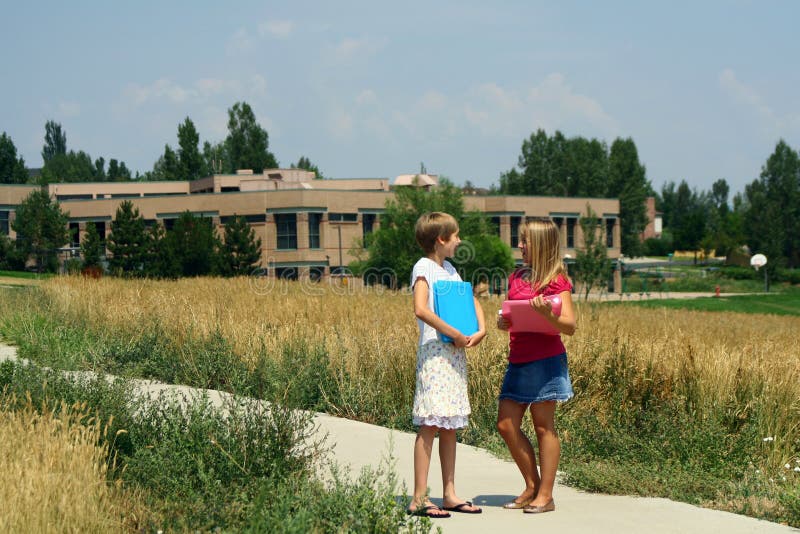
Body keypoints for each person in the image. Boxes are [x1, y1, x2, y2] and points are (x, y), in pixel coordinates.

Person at [407, 212, 486, 518]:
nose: (459, 240)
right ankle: (419, 496)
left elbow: (470, 301)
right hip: (435, 353)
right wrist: (454, 332)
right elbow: (420, 309)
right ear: (440, 239)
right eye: (455, 236)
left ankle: (449, 493)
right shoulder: (424, 267)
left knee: (449, 423)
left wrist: (480, 329)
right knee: (430, 422)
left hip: (454, 354)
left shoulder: (450, 269)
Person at [496, 218, 576, 514]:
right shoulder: (516, 276)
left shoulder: (557, 280)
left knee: (544, 427)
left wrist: (549, 316)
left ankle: (546, 495)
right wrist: (504, 323)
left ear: (540, 244)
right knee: (505, 425)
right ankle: (532, 486)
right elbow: (514, 315)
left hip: (546, 361)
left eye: (525, 240)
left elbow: (569, 326)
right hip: (518, 358)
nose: (520, 245)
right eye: (520, 239)